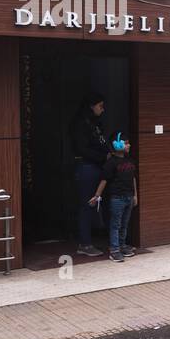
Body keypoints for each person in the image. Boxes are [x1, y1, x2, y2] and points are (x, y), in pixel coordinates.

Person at [70, 92, 109, 257]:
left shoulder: (96, 124)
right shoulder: (80, 124)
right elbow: (82, 149)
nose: (103, 109)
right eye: (100, 106)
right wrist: (102, 156)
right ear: (91, 106)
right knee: (87, 205)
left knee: (97, 203)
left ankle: (100, 238)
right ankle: (85, 243)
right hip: (87, 167)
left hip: (98, 166)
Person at [88, 133, 138, 262]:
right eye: (126, 143)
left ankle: (122, 246)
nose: (129, 145)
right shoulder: (111, 163)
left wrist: (135, 195)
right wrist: (97, 195)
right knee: (115, 224)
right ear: (117, 145)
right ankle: (114, 250)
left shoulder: (130, 160)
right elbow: (104, 180)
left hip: (129, 197)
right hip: (117, 198)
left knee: (124, 224)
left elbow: (133, 178)